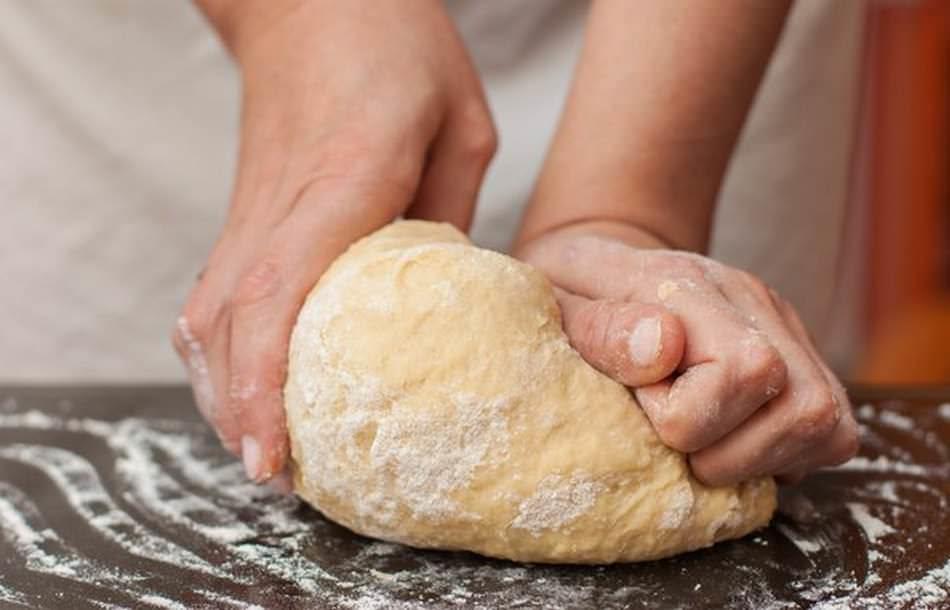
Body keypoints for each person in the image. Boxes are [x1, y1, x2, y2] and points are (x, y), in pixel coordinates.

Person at [1, 1, 864, 491]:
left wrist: (631, 208)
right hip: (130, 69)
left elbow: (641, 227)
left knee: (701, 404)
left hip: (679, 53)